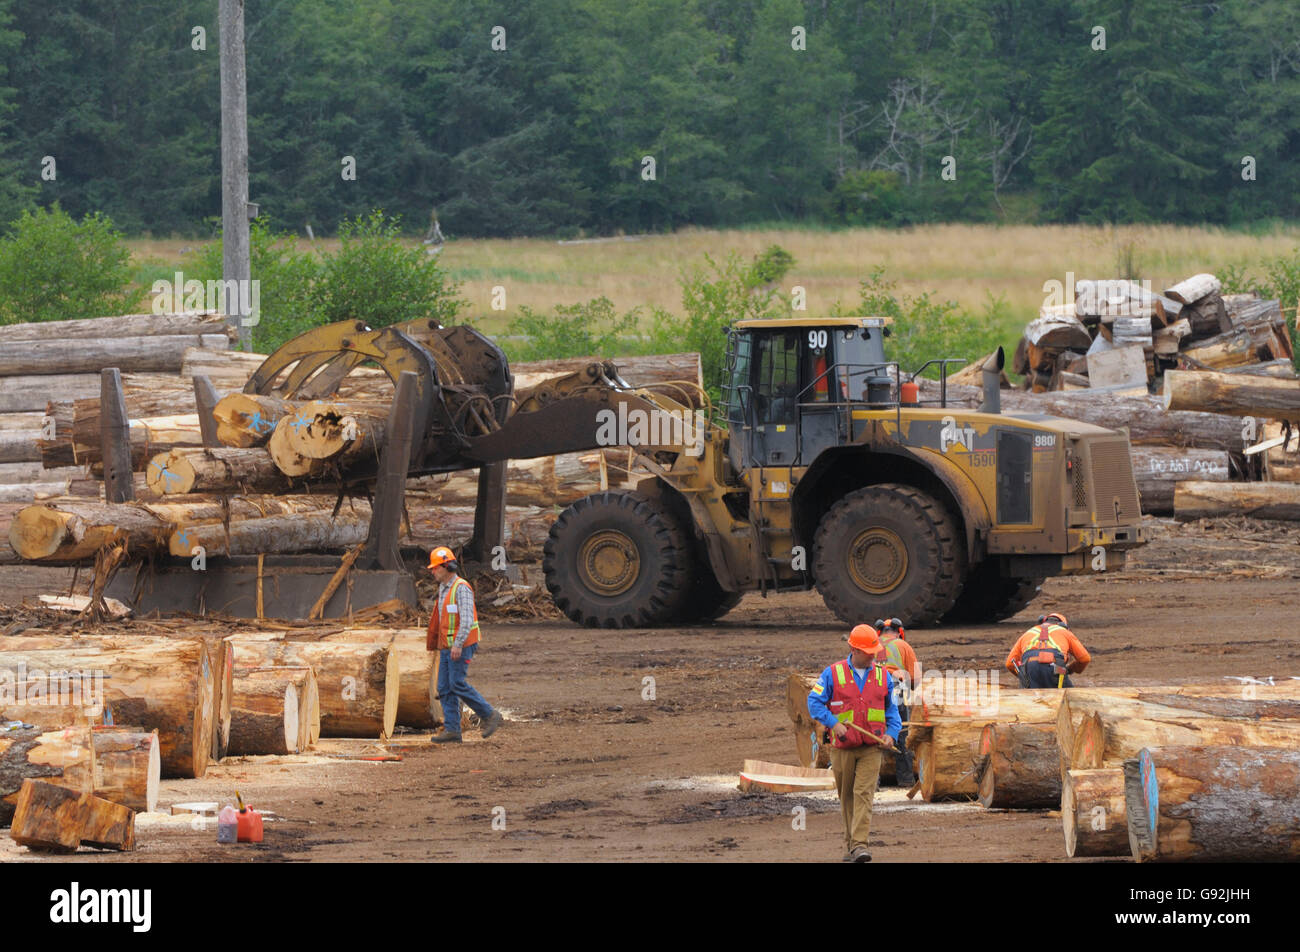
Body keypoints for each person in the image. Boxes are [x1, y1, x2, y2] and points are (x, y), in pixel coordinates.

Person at [807, 625, 902, 863]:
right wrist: (834, 724)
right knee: (846, 796)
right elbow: (814, 703)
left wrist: (892, 733)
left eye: (874, 652)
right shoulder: (832, 674)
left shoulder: (883, 676)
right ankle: (851, 845)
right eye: (867, 652)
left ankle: (860, 845)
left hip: (872, 747)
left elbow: (892, 710)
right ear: (853, 649)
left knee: (863, 794)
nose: (873, 656)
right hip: (842, 748)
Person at [426, 546, 504, 743]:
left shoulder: (461, 588)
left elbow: (467, 620)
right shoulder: (443, 589)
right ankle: (452, 730)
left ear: (446, 567)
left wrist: (458, 644)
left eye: (435, 568)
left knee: (456, 683)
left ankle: (489, 714)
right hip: (447, 645)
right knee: (444, 687)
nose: (433, 571)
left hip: (461, 644)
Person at [874, 617, 919, 787]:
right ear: (900, 632)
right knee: (902, 732)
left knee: (873, 732)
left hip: (873, 688)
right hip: (896, 688)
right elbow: (916, 679)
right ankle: (906, 779)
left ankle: (872, 781)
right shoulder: (903, 646)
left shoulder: (871, 645)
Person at [1005, 611, 1091, 689]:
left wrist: (1024, 676)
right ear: (1063, 625)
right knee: (1068, 698)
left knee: (1030, 701)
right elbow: (1084, 659)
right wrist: (1070, 670)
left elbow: (1009, 664)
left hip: (1029, 668)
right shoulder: (1064, 632)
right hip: (1056, 668)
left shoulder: (1028, 633)